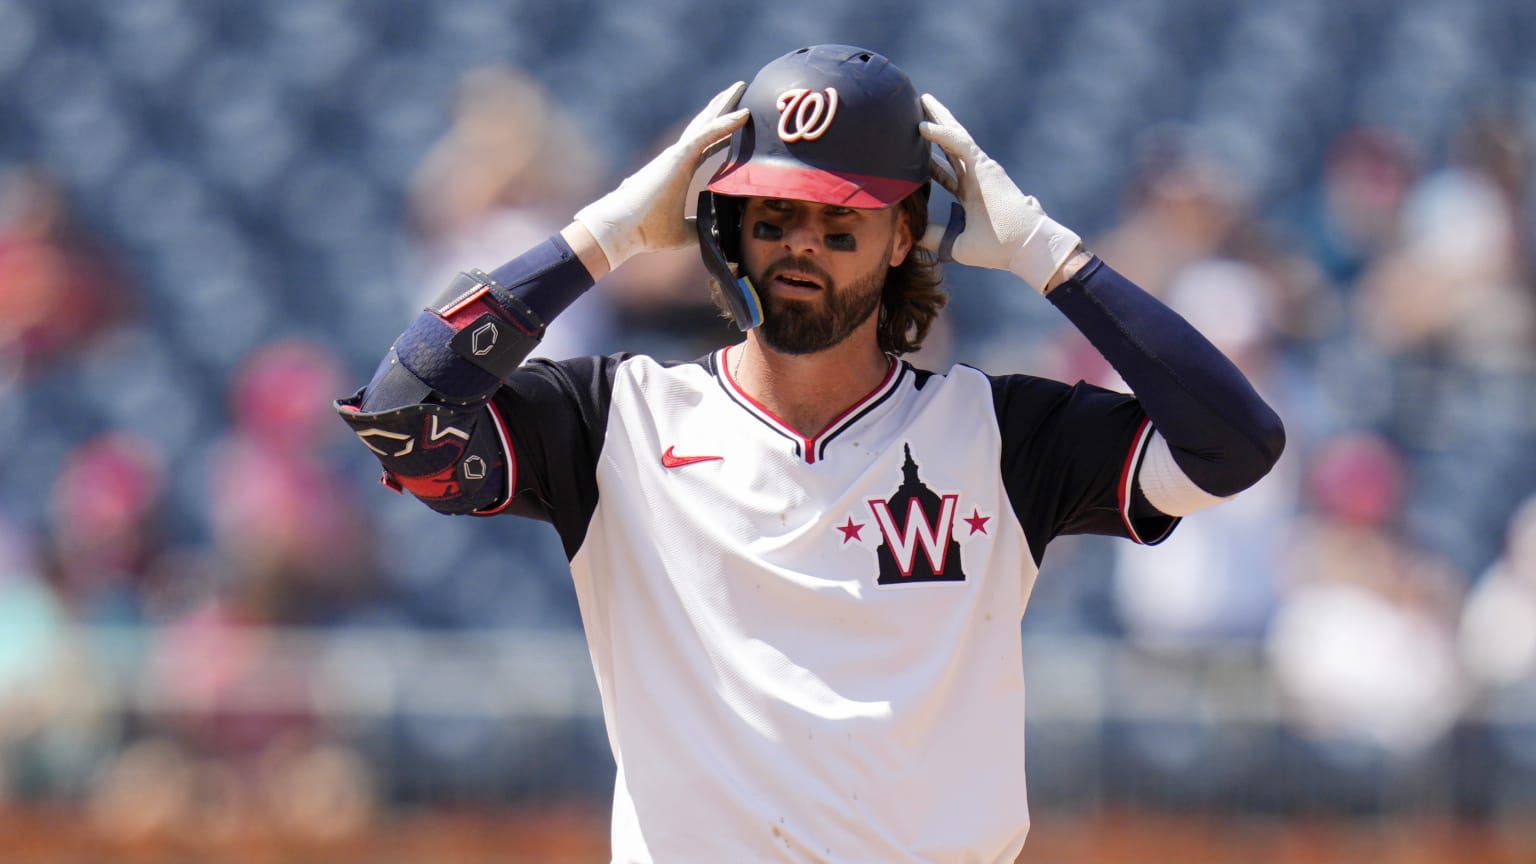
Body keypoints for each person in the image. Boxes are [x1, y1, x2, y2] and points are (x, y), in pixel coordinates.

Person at [336, 45, 1284, 863]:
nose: (802, 249)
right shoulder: (614, 418)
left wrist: (1047, 254)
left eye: (841, 226)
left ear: (904, 234)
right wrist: (606, 234)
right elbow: (403, 419)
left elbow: (1236, 445)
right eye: (773, 217)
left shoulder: (999, 434)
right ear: (725, 227)